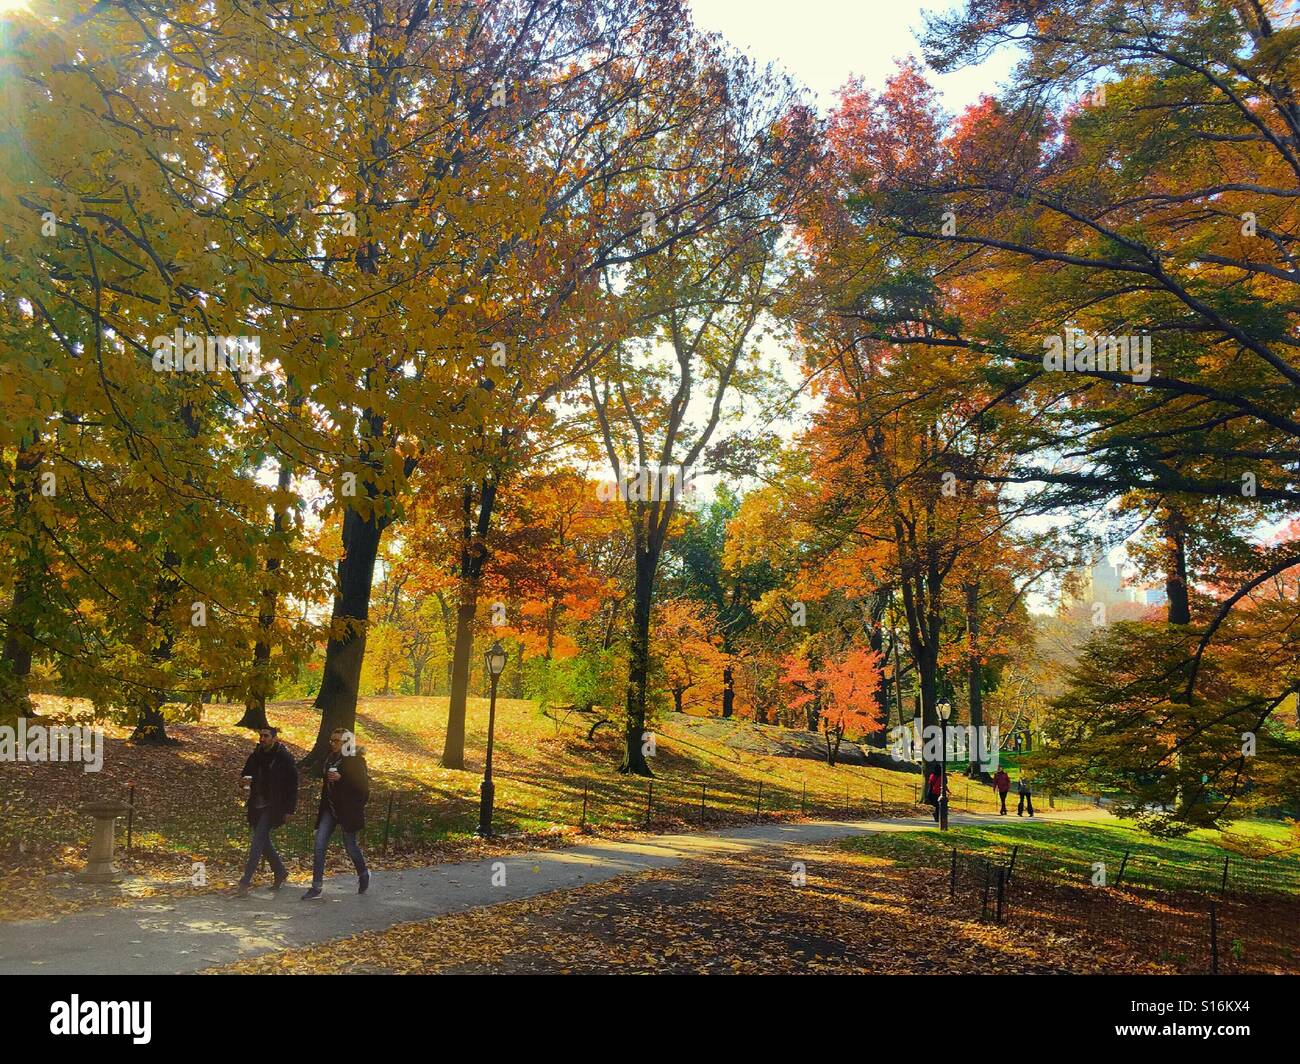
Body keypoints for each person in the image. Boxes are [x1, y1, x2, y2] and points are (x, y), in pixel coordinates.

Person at [303, 727, 371, 900]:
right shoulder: (330, 759)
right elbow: (327, 788)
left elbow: (363, 788)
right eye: (331, 740)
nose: (332, 743)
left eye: (336, 741)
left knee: (350, 847)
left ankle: (363, 873)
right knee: (319, 844)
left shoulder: (356, 761)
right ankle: (316, 887)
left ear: (346, 742)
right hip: (330, 809)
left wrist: (342, 780)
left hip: (348, 811)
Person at [236, 726, 298, 896]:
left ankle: (245, 882)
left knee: (257, 841)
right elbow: (245, 775)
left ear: (274, 738)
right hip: (256, 804)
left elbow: (293, 785)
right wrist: (242, 782)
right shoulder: (256, 755)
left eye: (266, 736)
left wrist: (289, 810)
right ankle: (280, 871)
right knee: (263, 842)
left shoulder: (283, 757)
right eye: (260, 735)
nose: (262, 739)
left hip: (274, 806)